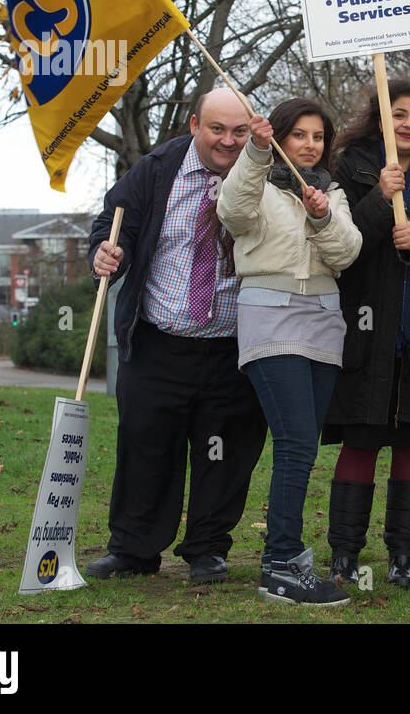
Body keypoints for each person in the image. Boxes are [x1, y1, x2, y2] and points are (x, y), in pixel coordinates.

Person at [86, 87, 268, 585]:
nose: (228, 142)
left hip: (235, 348)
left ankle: (207, 549)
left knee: (223, 454)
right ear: (194, 126)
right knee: (147, 449)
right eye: (217, 129)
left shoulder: (266, 169)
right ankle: (133, 550)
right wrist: (107, 250)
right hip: (158, 343)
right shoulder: (156, 168)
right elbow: (111, 224)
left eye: (239, 131)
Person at [217, 97, 363, 607]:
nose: (309, 145)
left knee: (303, 445)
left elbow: (347, 254)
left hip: (324, 322)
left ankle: (283, 559)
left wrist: (324, 219)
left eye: (318, 137)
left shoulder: (332, 191)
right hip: (270, 317)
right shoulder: (254, 180)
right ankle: (281, 563)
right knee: (296, 443)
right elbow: (231, 212)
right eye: (299, 135)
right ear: (280, 135)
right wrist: (255, 152)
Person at [323, 80, 410, 589]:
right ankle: (344, 556)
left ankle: (403, 556)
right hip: (365, 333)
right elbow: (341, 245)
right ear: (381, 119)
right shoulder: (351, 166)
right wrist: (382, 200)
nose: (408, 125)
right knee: (359, 443)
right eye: (398, 114)